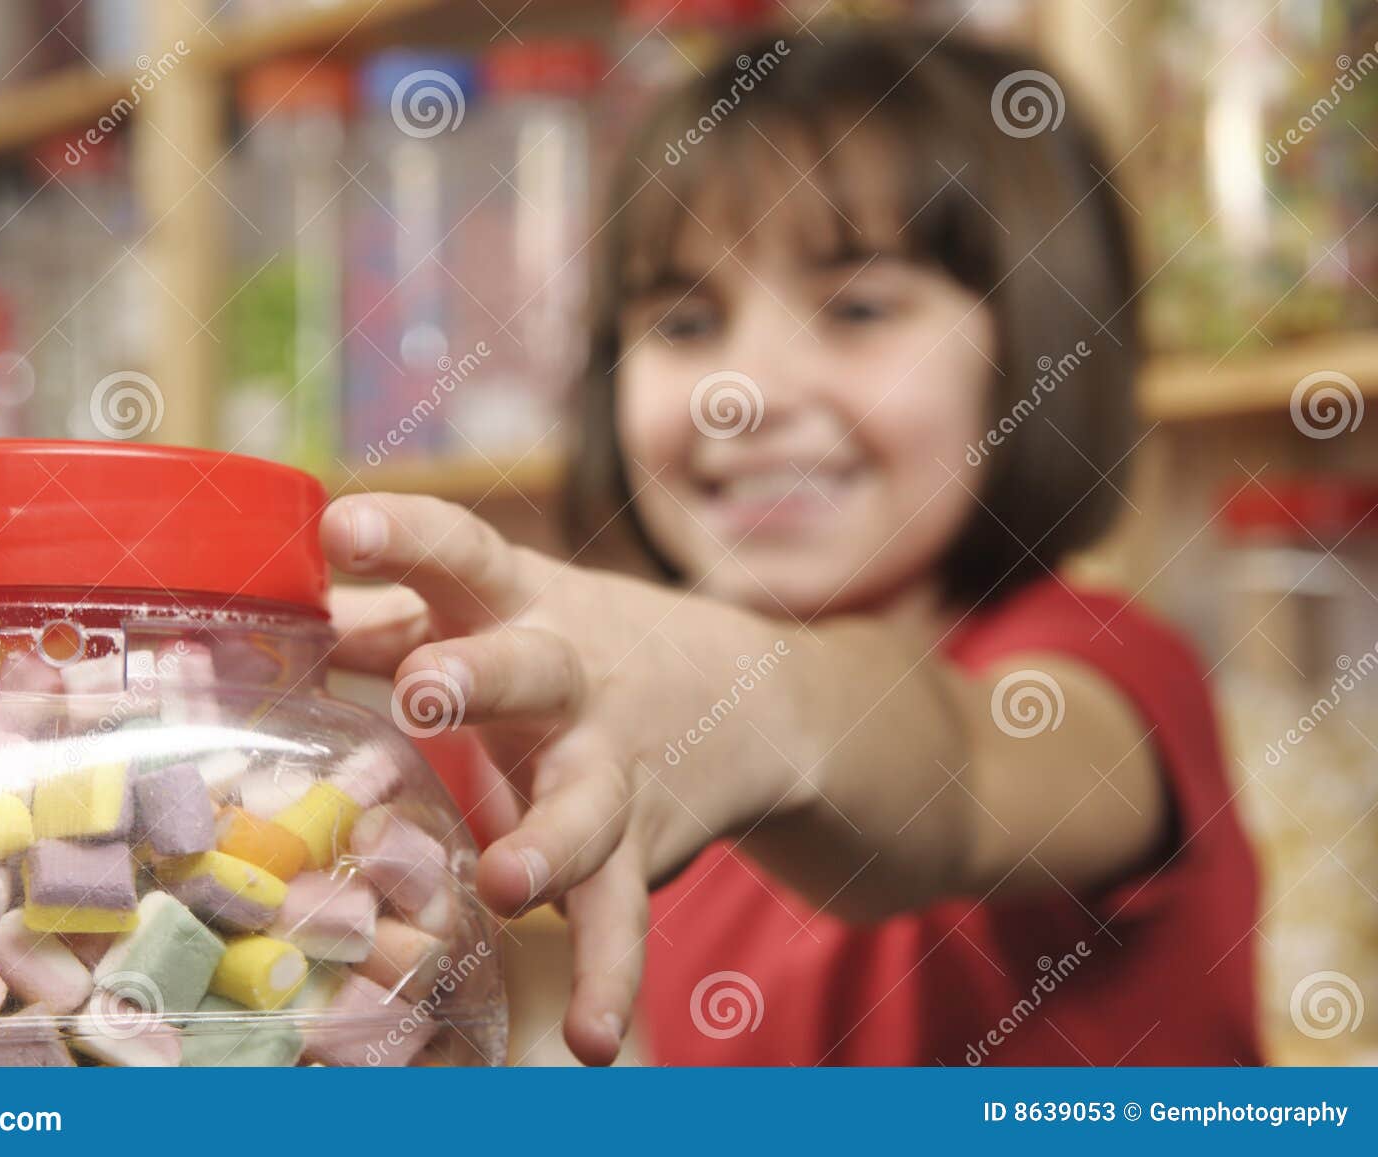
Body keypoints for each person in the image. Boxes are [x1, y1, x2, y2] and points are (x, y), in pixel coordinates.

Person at [319, 25, 1261, 1066]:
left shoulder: (1105, 674)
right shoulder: (633, 722)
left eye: (857, 307)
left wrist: (746, 693)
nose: (747, 392)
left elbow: (963, 777)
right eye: (682, 324)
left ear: (1033, 349)